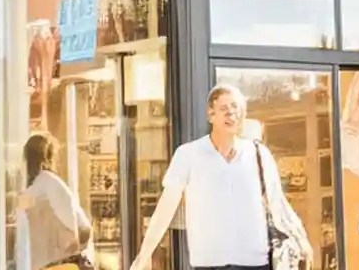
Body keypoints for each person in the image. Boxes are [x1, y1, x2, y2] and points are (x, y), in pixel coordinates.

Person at [128, 83, 313, 270]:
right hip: (209, 264)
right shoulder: (189, 154)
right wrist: (144, 256)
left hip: (256, 263)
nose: (231, 114)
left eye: (236, 108)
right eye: (224, 108)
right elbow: (164, 210)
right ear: (211, 115)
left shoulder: (259, 154)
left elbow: (279, 204)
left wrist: (301, 239)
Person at [15, 133, 94, 270]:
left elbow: (76, 231)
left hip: (54, 264)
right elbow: (83, 228)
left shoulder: (43, 187)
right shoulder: (49, 185)